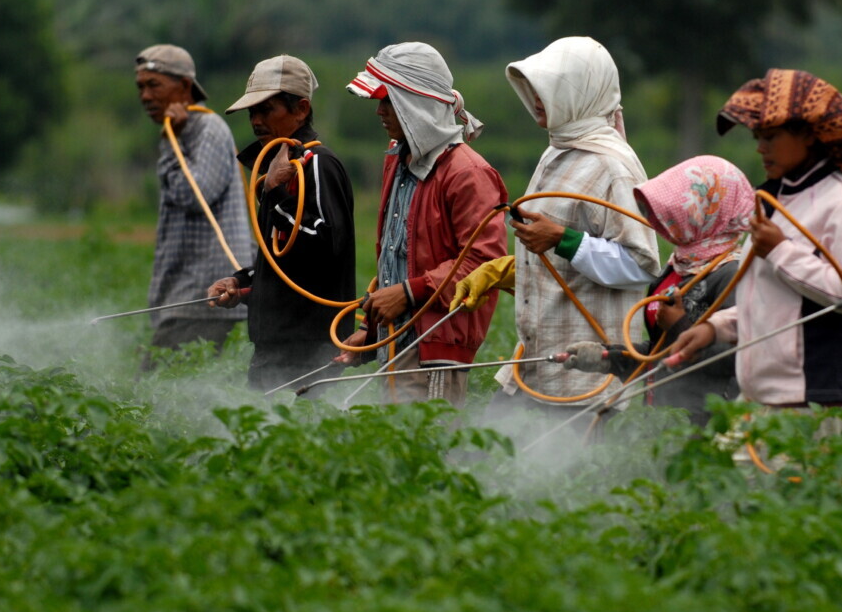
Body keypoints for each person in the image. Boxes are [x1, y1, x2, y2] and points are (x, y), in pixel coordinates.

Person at [449, 36, 660, 416]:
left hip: (582, 370)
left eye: (549, 89)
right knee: (480, 460)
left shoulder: (613, 166)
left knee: (560, 475)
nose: (536, 99)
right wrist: (501, 270)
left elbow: (640, 265)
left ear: (581, 93)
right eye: (534, 89)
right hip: (533, 361)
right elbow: (550, 251)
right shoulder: (556, 152)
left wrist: (564, 240)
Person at [668, 69, 842, 413]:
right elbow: (772, 304)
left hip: (815, 400)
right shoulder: (773, 200)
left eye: (771, 137)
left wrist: (780, 251)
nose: (761, 148)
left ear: (807, 135)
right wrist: (714, 329)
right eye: (757, 136)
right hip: (760, 400)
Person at [340, 42, 508, 407]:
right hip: (395, 342)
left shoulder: (468, 173)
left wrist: (410, 292)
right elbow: (396, 255)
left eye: (388, 101)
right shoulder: (398, 160)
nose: (380, 112)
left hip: (434, 348)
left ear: (414, 105)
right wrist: (371, 329)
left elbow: (485, 264)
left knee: (428, 451)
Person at [560, 156, 753, 425]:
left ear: (710, 210)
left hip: (708, 427)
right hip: (662, 420)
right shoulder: (677, 268)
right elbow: (659, 353)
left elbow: (743, 361)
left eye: (678, 213)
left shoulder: (732, 275)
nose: (663, 221)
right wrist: (608, 358)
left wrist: (680, 327)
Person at [207, 55, 356, 392]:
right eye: (252, 113)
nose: (256, 121)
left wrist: (274, 194)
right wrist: (241, 284)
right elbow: (283, 261)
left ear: (301, 109)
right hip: (276, 346)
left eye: (266, 110)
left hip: (309, 348)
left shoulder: (316, 164)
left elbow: (321, 247)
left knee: (302, 437)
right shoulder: (274, 166)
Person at [134, 44, 255, 368]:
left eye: (154, 85)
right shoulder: (182, 131)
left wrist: (174, 145)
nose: (145, 96)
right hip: (182, 299)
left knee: (156, 392)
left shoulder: (207, 129)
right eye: (141, 87)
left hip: (203, 298)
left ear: (184, 86)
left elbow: (194, 193)